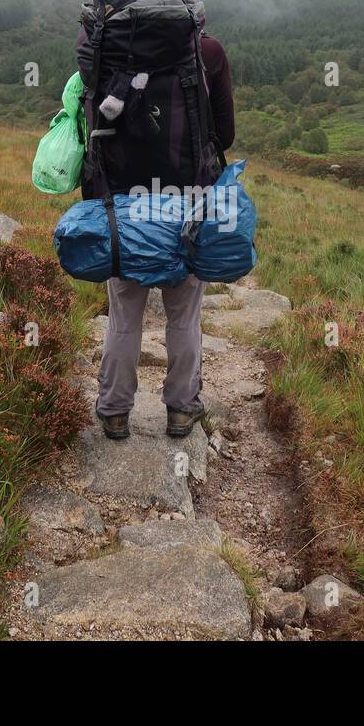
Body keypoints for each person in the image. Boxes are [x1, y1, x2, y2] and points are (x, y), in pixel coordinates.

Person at [94, 33, 235, 440]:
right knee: (184, 315)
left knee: (123, 315)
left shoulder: (112, 45)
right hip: (187, 203)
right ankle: (181, 408)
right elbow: (223, 135)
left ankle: (115, 411)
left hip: (125, 208)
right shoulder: (206, 51)